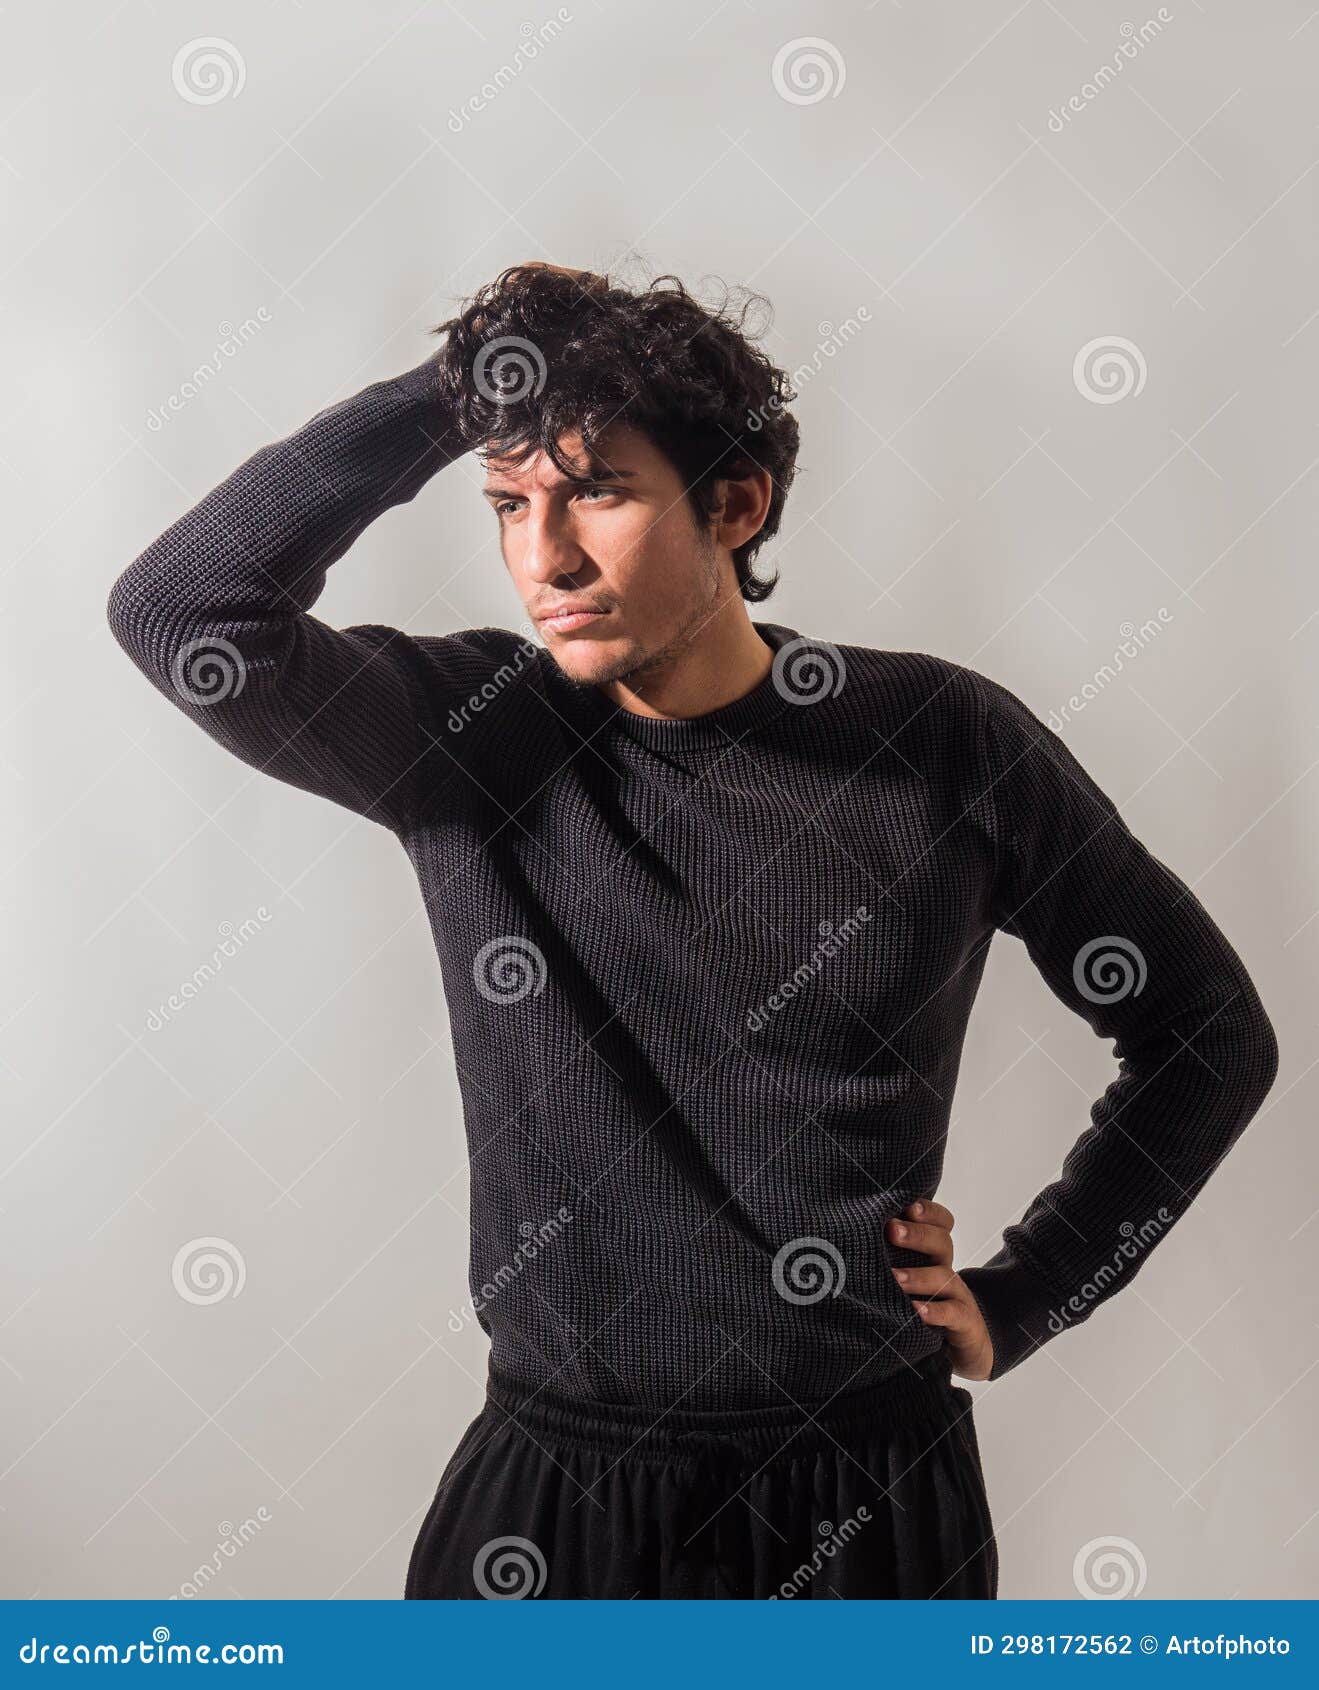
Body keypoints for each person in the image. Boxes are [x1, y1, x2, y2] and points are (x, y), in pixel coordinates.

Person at [106, 263, 1279, 1600]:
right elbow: (180, 612)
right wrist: (459, 388)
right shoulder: (472, 739)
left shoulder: (941, 740)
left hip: (868, 1499)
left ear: (735, 503)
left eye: (595, 491)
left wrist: (1031, 1293)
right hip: (557, 1500)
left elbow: (1206, 1030)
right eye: (509, 504)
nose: (542, 557)